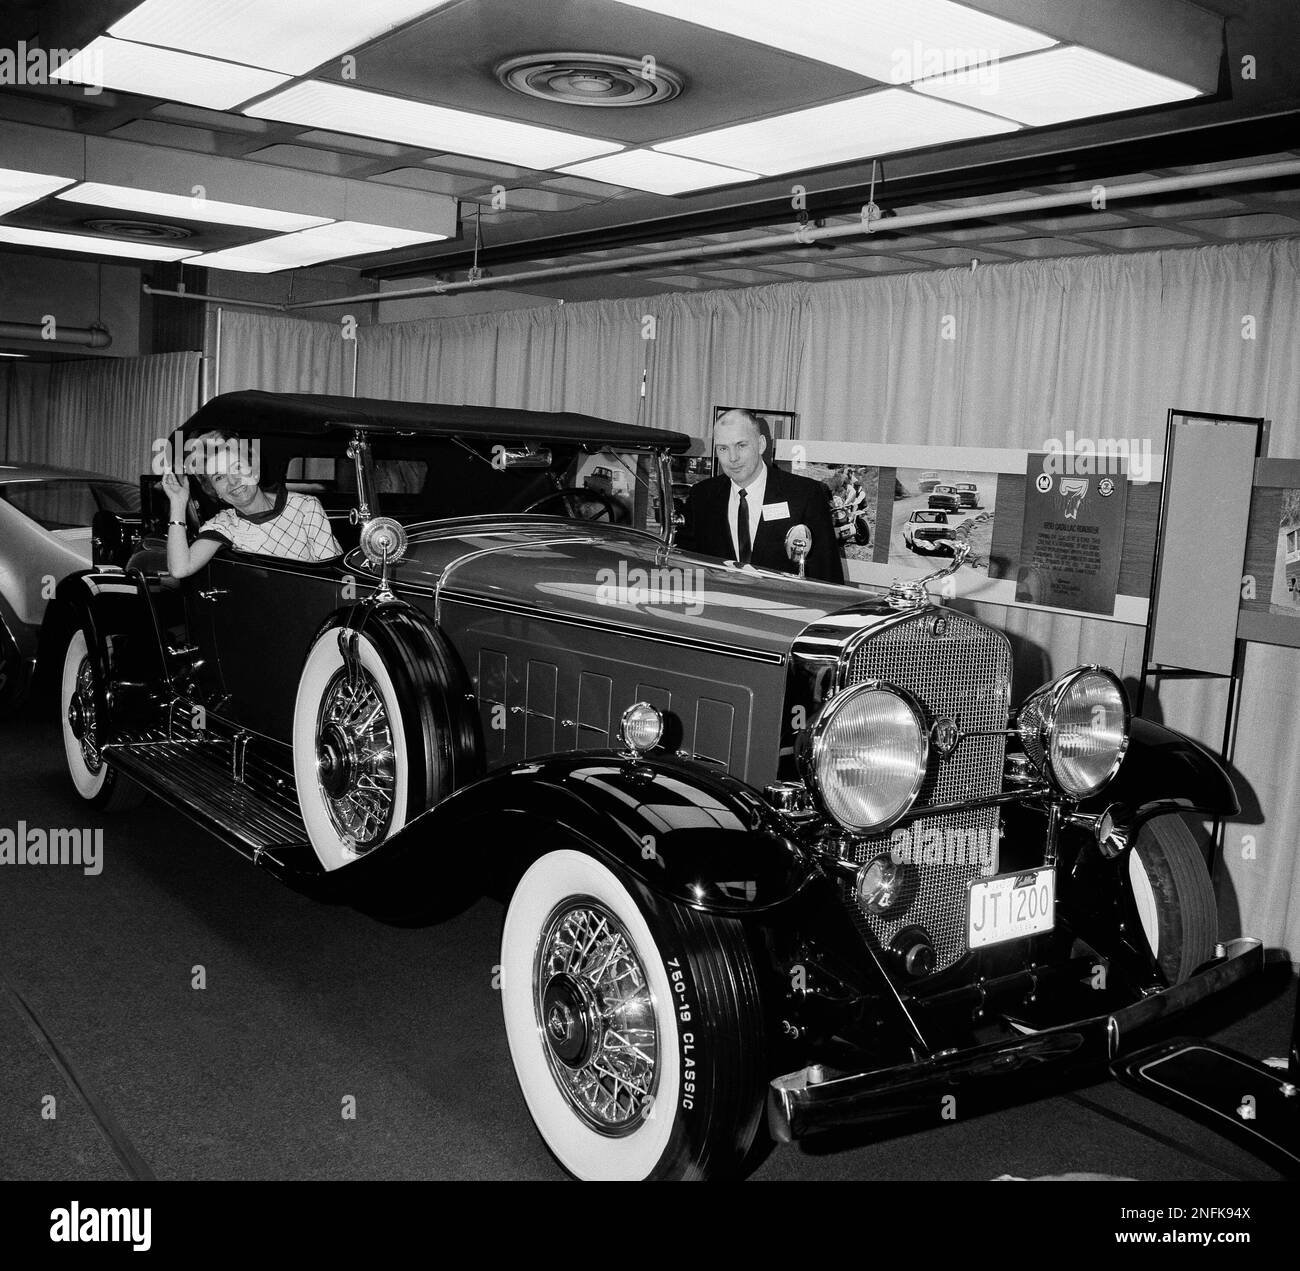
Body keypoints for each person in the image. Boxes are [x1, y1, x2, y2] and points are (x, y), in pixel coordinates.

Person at [677, 409, 844, 583]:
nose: (732, 458)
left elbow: (828, 576)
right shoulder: (702, 496)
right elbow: (686, 565)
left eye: (741, 445)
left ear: (761, 444)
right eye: (723, 448)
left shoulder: (805, 495)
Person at [161, 428, 340, 578]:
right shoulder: (224, 525)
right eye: (219, 477)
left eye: (237, 468)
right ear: (215, 491)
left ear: (254, 470)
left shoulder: (305, 506)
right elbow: (179, 569)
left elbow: (331, 575)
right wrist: (178, 503)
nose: (233, 482)